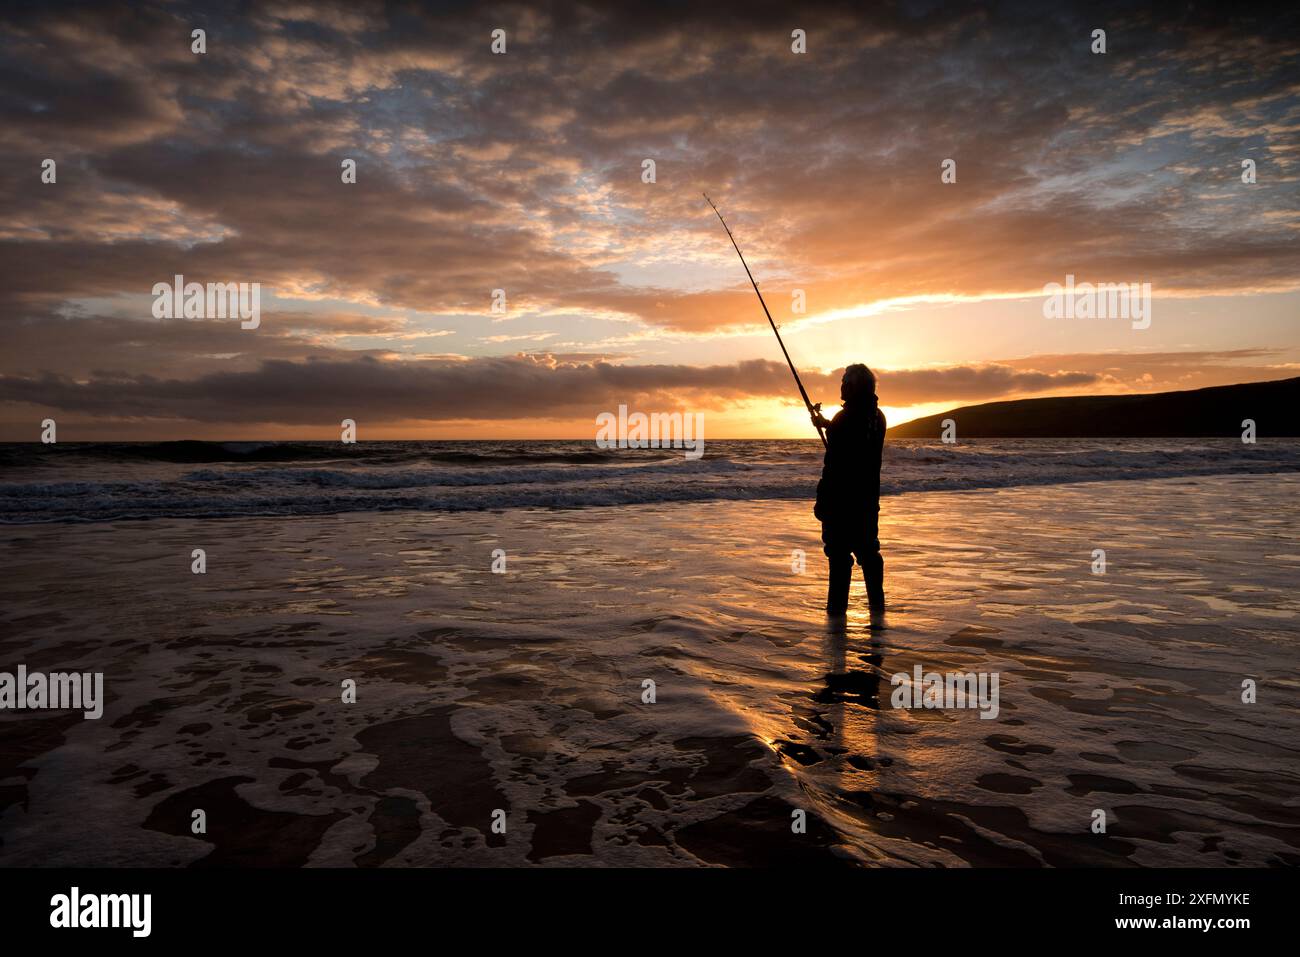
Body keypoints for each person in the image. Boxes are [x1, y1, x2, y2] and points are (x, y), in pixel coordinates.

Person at [813, 364, 886, 617]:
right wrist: (826, 424)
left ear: (854, 386)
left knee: (839, 558)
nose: (841, 385)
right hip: (867, 501)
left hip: (840, 504)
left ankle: (836, 618)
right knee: (868, 552)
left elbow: (835, 463)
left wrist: (822, 503)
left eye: (845, 381)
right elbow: (853, 440)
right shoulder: (878, 417)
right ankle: (878, 611)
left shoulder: (844, 419)